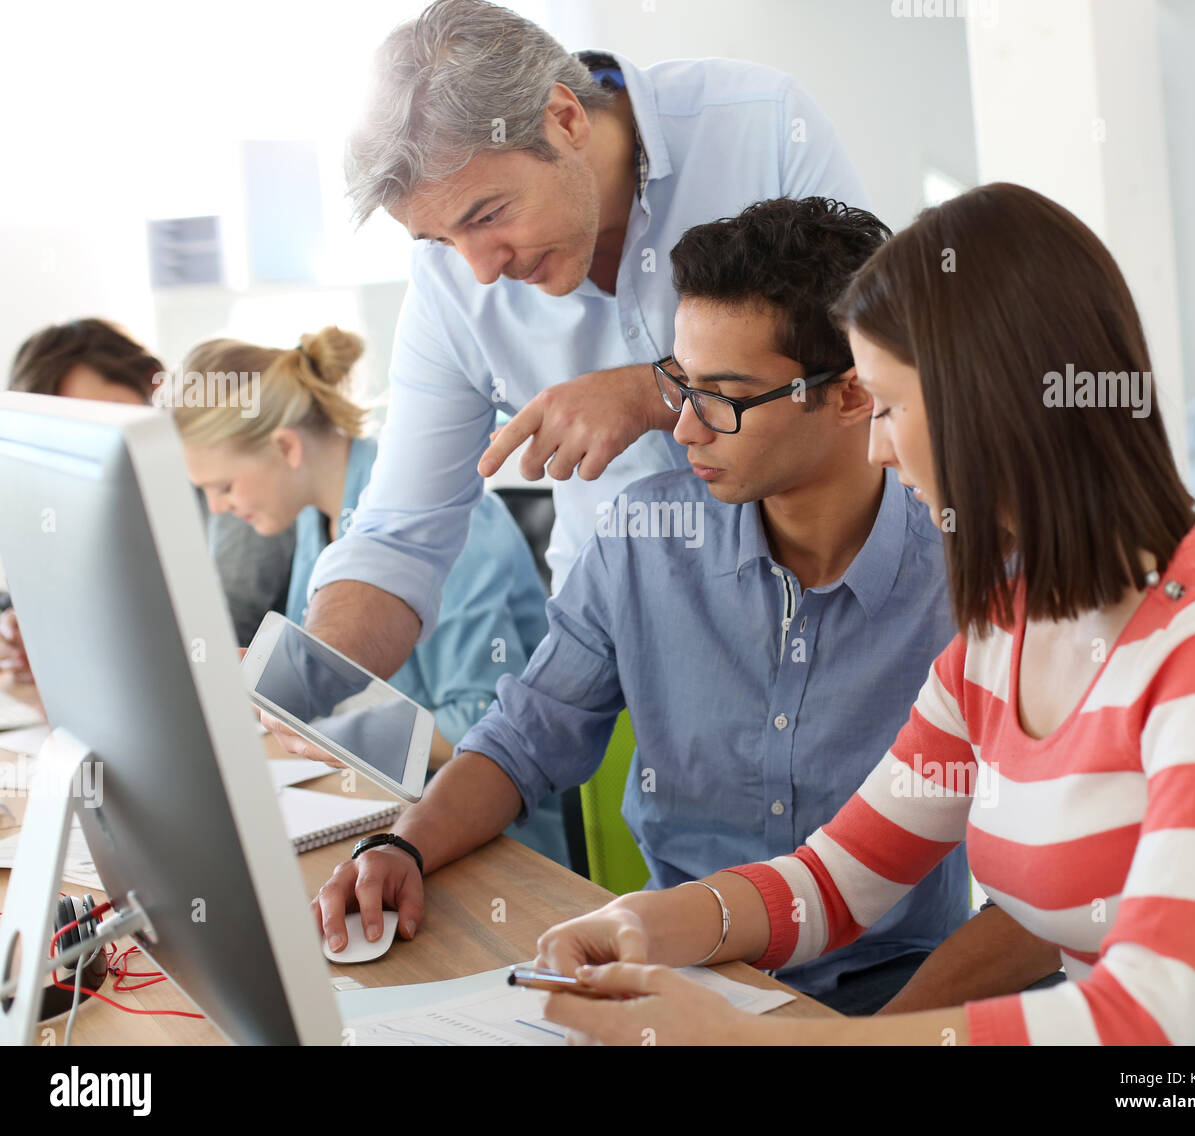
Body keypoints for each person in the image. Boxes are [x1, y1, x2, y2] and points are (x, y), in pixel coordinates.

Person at [531, 183, 1195, 1045]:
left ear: (991, 404)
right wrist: (651, 926)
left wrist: (759, 1041)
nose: (877, 446)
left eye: (891, 407)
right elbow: (834, 882)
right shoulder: (999, 632)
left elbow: (1153, 1017)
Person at [311, 197, 1068, 1015]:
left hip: (897, 990)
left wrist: (863, 1044)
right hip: (685, 958)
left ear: (852, 396)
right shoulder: (645, 535)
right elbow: (529, 737)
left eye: (725, 397)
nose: (683, 428)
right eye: (680, 385)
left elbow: (1049, 897)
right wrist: (404, 845)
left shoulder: (982, 579)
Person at [274, 0, 869, 722]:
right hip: (631, 666)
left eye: (487, 216)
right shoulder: (452, 290)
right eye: (439, 241)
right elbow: (401, 536)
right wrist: (286, 691)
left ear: (564, 117)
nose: (481, 270)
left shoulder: (760, 124)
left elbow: (869, 356)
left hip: (841, 623)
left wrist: (653, 392)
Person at [171, 327, 567, 865]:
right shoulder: (318, 522)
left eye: (223, 487)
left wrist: (335, 730)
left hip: (495, 842)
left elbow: (482, 722)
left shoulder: (445, 519)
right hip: (387, 811)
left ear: (285, 447)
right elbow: (318, 686)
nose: (218, 509)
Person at [1, 318, 294, 675]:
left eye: (100, 417)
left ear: (154, 383)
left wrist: (71, 642)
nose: (92, 444)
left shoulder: (228, 479)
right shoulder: (96, 500)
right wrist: (28, 624)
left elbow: (222, 627)